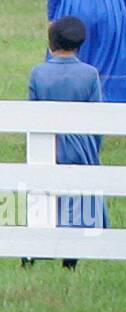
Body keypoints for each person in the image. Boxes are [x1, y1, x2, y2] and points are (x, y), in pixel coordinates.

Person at [27, 16, 110, 268]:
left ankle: (33, 250)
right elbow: (96, 116)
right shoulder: (89, 74)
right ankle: (72, 253)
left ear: (51, 42)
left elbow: (31, 112)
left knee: (42, 192)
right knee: (78, 193)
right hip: (79, 143)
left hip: (47, 142)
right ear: (79, 44)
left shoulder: (38, 73)